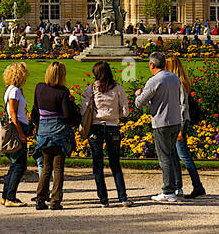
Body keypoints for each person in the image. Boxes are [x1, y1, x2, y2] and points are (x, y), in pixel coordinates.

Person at [135, 52, 185, 203]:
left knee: (164, 157)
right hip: (175, 120)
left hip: (161, 122)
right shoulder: (174, 77)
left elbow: (139, 103)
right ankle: (176, 187)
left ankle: (168, 190)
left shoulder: (154, 81)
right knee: (171, 155)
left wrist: (138, 94)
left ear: (152, 65)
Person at [30, 62, 77, 210]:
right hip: (59, 132)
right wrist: (73, 105)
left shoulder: (39, 88)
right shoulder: (63, 92)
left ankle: (40, 199)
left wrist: (37, 126)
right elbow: (69, 116)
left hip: (44, 131)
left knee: (46, 167)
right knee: (58, 168)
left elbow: (35, 110)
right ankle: (55, 200)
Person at [84, 60, 131, 207]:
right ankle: (122, 197)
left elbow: (83, 110)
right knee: (115, 163)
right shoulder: (117, 88)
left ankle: (103, 199)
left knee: (98, 165)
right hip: (112, 126)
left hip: (96, 126)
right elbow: (125, 111)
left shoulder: (90, 89)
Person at [166, 55, 206, 197]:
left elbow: (183, 107)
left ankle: (197, 186)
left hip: (180, 122)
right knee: (177, 155)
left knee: (183, 155)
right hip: (179, 121)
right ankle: (180, 186)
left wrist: (181, 129)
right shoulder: (179, 81)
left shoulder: (178, 83)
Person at [0, 62, 31, 208]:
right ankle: (10, 196)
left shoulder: (11, 90)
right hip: (18, 127)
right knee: (20, 164)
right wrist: (20, 133)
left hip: (19, 126)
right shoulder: (15, 91)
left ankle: (6, 196)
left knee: (15, 164)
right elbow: (13, 113)